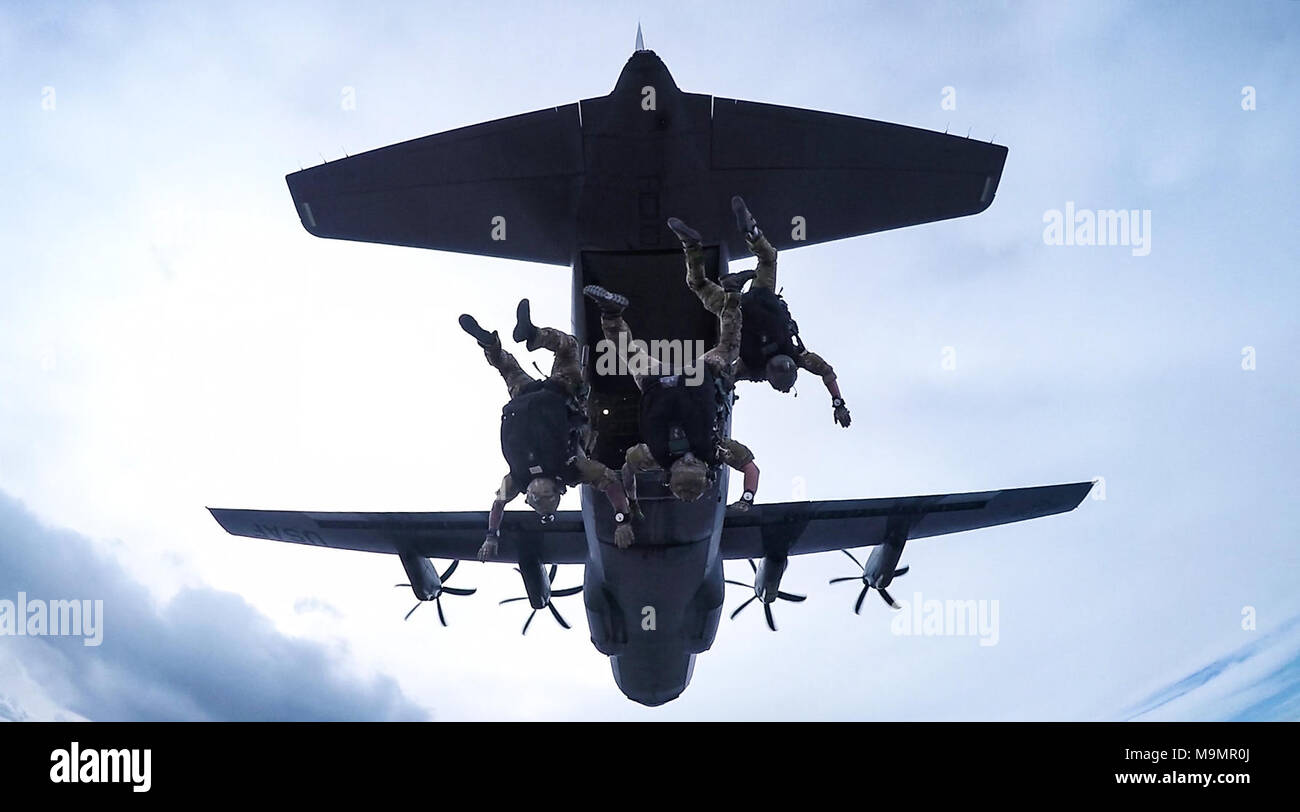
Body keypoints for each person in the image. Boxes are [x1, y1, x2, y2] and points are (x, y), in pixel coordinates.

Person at [459, 299, 635, 560]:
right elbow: (498, 505)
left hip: (559, 392)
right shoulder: (516, 480)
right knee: (507, 368)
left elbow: (611, 483)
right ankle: (492, 345)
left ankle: (532, 336)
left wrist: (623, 521)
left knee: (569, 347)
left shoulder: (572, 470)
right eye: (546, 495)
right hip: (525, 397)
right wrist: (491, 536)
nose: (541, 492)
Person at [666, 195, 852, 428]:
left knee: (768, 258)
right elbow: (725, 379)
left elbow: (828, 373)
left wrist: (839, 402)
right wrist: (714, 409)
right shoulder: (752, 369)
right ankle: (691, 246)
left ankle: (751, 231)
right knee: (699, 284)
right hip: (735, 309)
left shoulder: (797, 355)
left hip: (761, 293)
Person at [583, 274, 761, 513]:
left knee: (729, 347)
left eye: (685, 465)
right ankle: (611, 313)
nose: (689, 460)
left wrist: (747, 498)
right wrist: (631, 500)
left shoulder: (715, 450)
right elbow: (627, 471)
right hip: (656, 378)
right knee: (625, 349)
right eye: (693, 464)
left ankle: (732, 295)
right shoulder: (650, 456)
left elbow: (751, 469)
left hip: (696, 374)